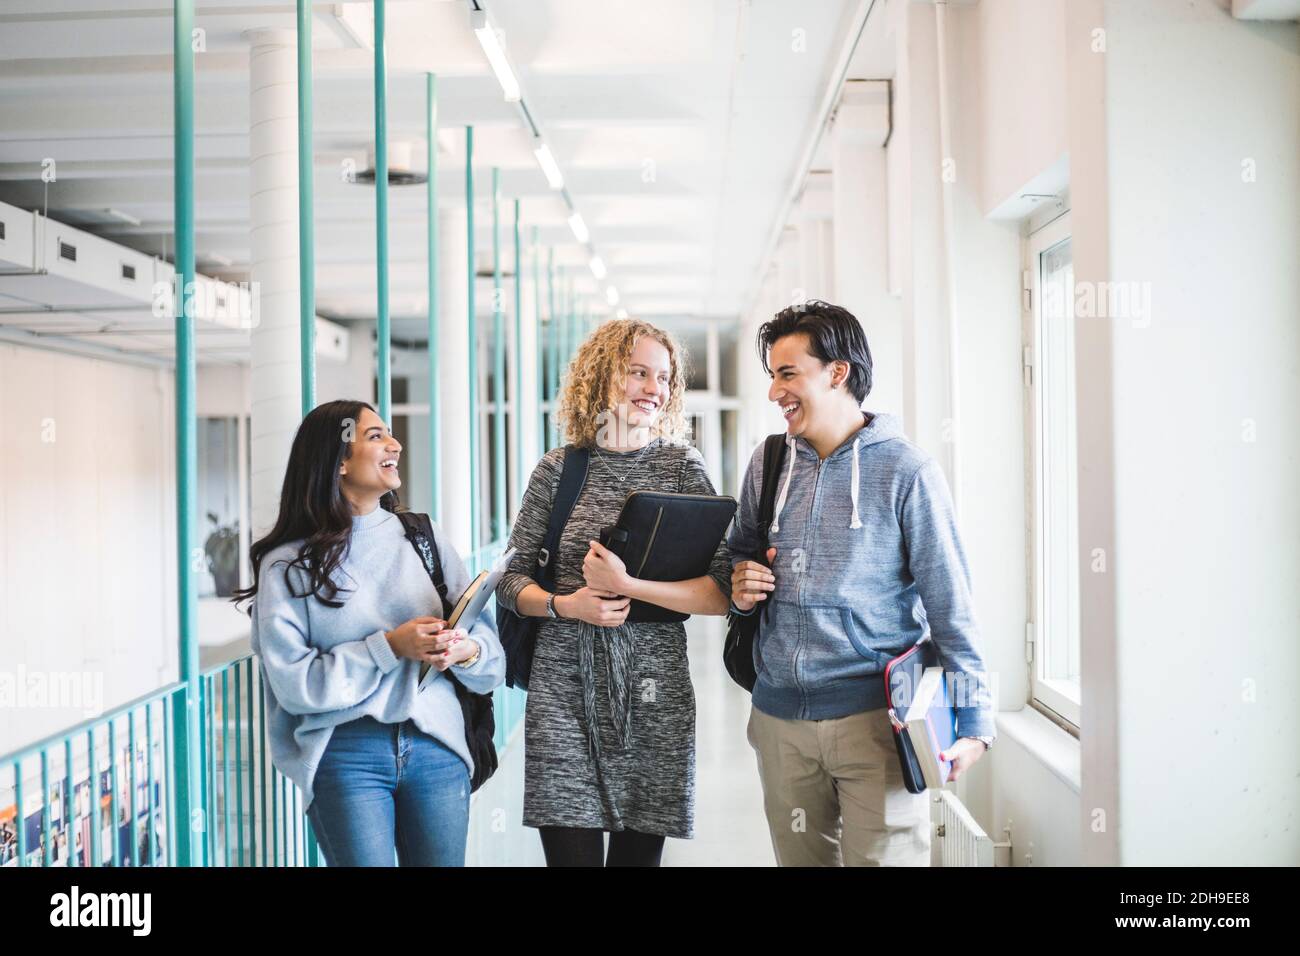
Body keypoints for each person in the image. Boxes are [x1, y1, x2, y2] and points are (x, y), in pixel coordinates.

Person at [728, 300, 996, 867]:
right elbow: (737, 553)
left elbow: (951, 603)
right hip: (779, 719)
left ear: (837, 372)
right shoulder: (769, 461)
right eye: (772, 376)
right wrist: (739, 579)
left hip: (877, 722)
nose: (775, 392)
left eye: (787, 374)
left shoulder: (907, 472)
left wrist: (973, 721)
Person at [496, 319, 732, 867]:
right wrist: (565, 604)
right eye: (638, 373)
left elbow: (720, 592)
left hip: (654, 691)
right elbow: (510, 582)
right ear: (602, 378)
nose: (654, 388)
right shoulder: (559, 470)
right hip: (563, 688)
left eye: (664, 378)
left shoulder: (681, 468)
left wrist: (628, 587)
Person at [235, 399, 504, 867]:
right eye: (376, 435)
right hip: (345, 753)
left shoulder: (424, 538)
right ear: (338, 460)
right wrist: (391, 647)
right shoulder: (287, 565)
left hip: (436, 743)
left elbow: (491, 658)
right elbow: (297, 686)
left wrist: (463, 651)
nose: (394, 444)